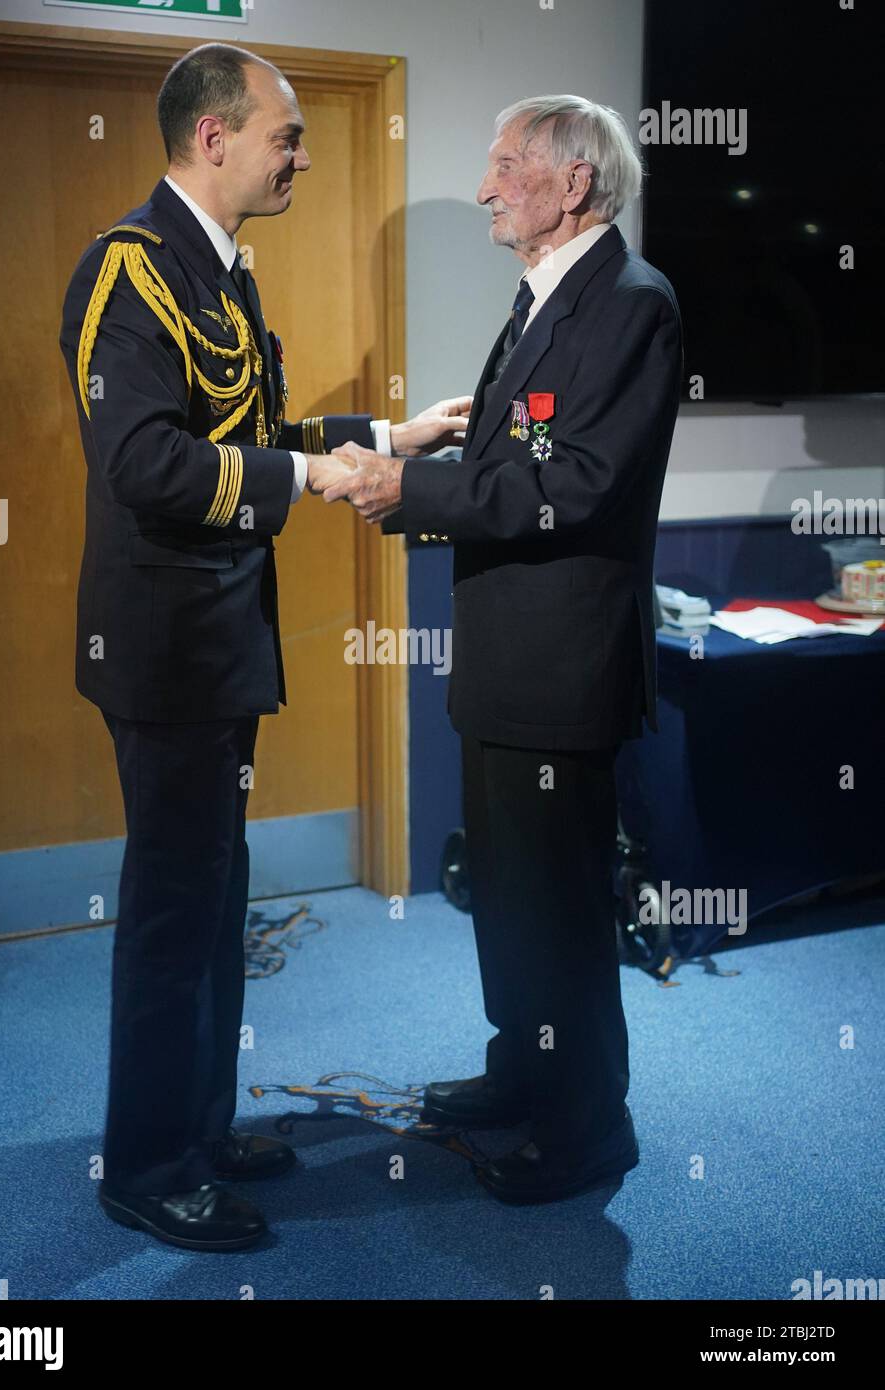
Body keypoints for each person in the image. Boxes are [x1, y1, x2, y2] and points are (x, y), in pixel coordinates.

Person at [58, 42, 469, 1251]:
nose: (300, 153)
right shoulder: (124, 269)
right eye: (285, 133)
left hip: (218, 631)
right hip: (164, 642)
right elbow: (144, 464)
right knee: (175, 902)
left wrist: (385, 432)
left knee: (217, 888)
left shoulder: (219, 270)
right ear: (212, 137)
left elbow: (250, 428)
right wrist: (306, 474)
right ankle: (144, 1162)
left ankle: (201, 1122)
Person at [323, 95, 683, 1204]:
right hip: (507, 657)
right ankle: (522, 1073)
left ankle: (586, 1128)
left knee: (560, 908)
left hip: (561, 666)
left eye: (503, 166)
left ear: (570, 183)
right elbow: (526, 449)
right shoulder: (550, 298)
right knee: (511, 896)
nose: (483, 187)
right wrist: (424, 465)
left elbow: (572, 482)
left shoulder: (629, 302)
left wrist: (407, 483)